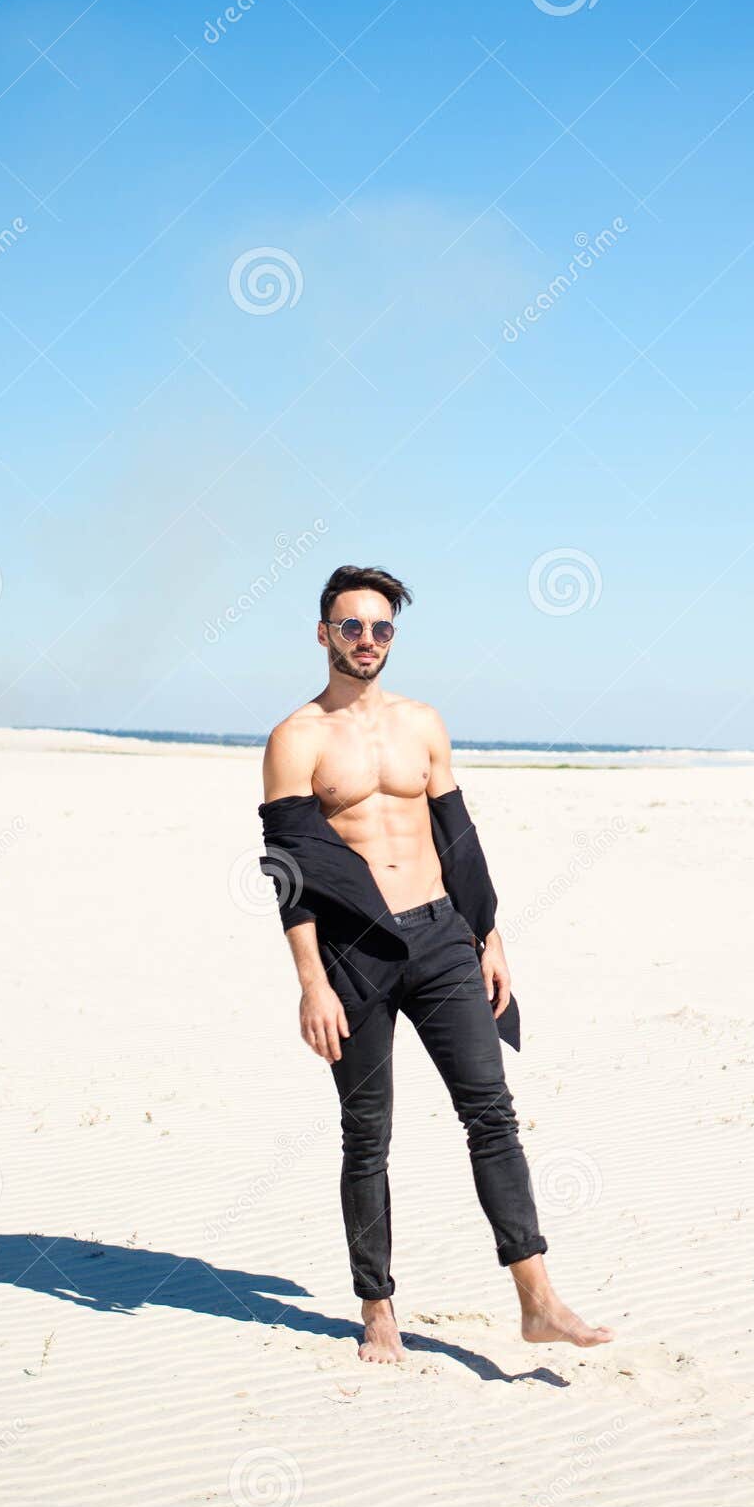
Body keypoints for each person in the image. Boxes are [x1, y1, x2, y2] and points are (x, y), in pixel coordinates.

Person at [259, 564, 613, 1363]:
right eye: (351, 627)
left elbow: (456, 833)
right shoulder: (296, 739)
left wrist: (489, 936)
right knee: (366, 1135)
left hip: (442, 938)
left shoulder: (422, 724)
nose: (367, 641)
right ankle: (376, 1305)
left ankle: (537, 1299)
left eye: (381, 628)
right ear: (323, 634)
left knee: (490, 1111)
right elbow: (287, 869)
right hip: (354, 953)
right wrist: (310, 981)